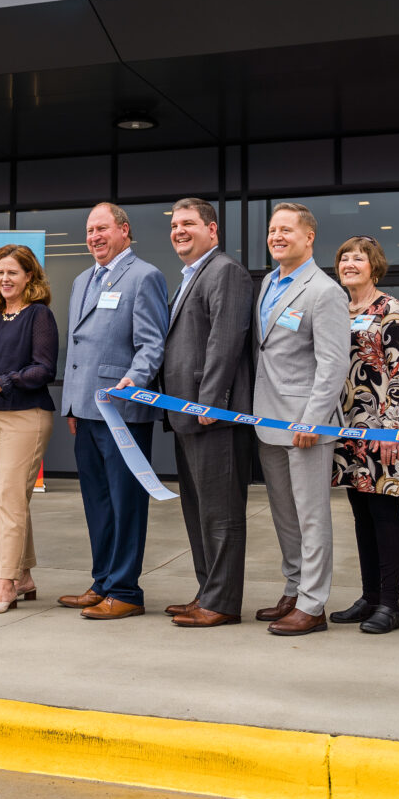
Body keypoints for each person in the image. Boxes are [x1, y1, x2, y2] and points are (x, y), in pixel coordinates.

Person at [57, 203, 168, 621]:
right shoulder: (83, 279)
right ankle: (102, 580)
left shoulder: (144, 276)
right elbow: (79, 348)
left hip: (121, 410)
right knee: (97, 503)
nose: (94, 236)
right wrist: (70, 401)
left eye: (102, 228)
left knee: (125, 503)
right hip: (84, 410)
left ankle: (125, 591)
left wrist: (135, 383)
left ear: (124, 231)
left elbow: (151, 344)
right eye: (89, 230)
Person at [157, 197, 254, 628]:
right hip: (186, 416)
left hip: (211, 415)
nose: (179, 230)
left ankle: (222, 602)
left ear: (212, 230)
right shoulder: (189, 277)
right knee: (198, 512)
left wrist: (210, 400)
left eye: (189, 223)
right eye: (175, 224)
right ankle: (206, 592)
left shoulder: (225, 271)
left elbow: (225, 339)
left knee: (221, 513)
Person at [251, 203, 347, 637]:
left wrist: (314, 420)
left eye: (286, 229)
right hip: (268, 418)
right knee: (284, 515)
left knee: (311, 517)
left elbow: (332, 364)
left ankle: (313, 604)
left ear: (309, 237)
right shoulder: (270, 282)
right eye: (273, 229)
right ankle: (293, 588)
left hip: (306, 424)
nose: (277, 236)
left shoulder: (324, 291)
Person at [0, 244, 58, 616]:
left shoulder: (39, 315)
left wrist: (3, 381)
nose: (4, 279)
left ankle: (5, 585)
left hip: (26, 415)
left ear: (29, 277)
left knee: (10, 497)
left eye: (12, 273)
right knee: (10, 498)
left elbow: (44, 368)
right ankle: (23, 577)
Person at [329, 235, 399, 636]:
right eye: (344, 258)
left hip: (382, 428)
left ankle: (391, 605)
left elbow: (398, 371)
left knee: (383, 513)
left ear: (374, 265)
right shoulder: (339, 309)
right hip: (347, 428)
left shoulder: (388, 308)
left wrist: (392, 426)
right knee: (360, 514)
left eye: (357, 258)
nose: (349, 263)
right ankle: (369, 597)